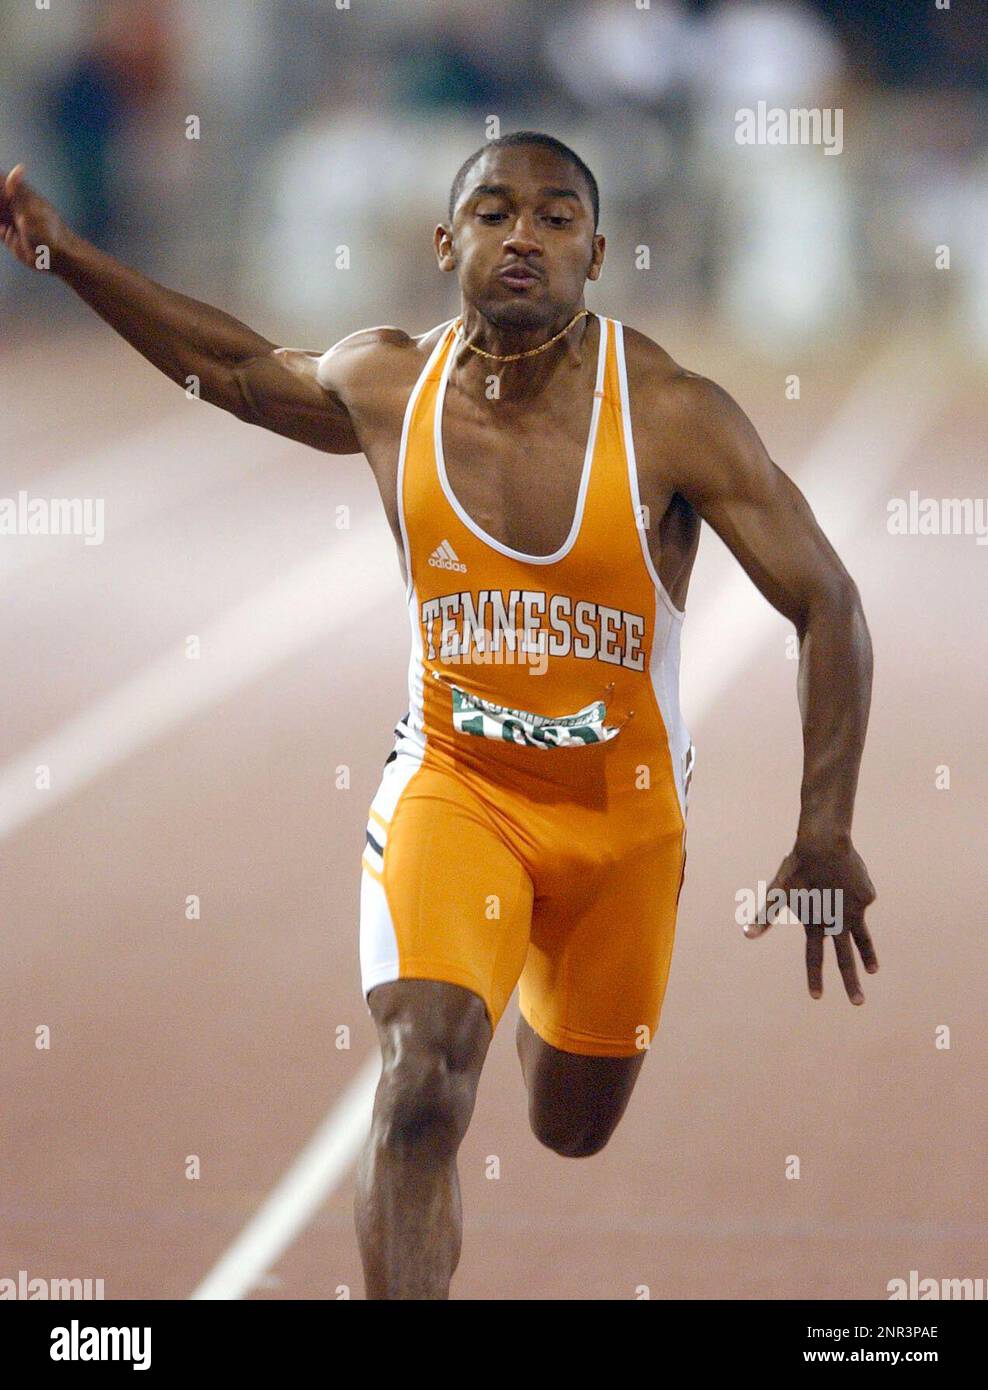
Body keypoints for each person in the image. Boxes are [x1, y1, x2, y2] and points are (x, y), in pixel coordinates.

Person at [1, 131, 878, 1301]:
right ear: (445, 240)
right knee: (420, 1082)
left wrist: (825, 826)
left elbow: (828, 602)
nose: (525, 236)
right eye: (495, 211)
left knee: (572, 1124)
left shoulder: (670, 413)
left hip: (621, 824)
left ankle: (535, 967)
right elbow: (235, 367)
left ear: (599, 252)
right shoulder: (388, 383)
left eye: (557, 217)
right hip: (453, 790)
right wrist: (67, 256)